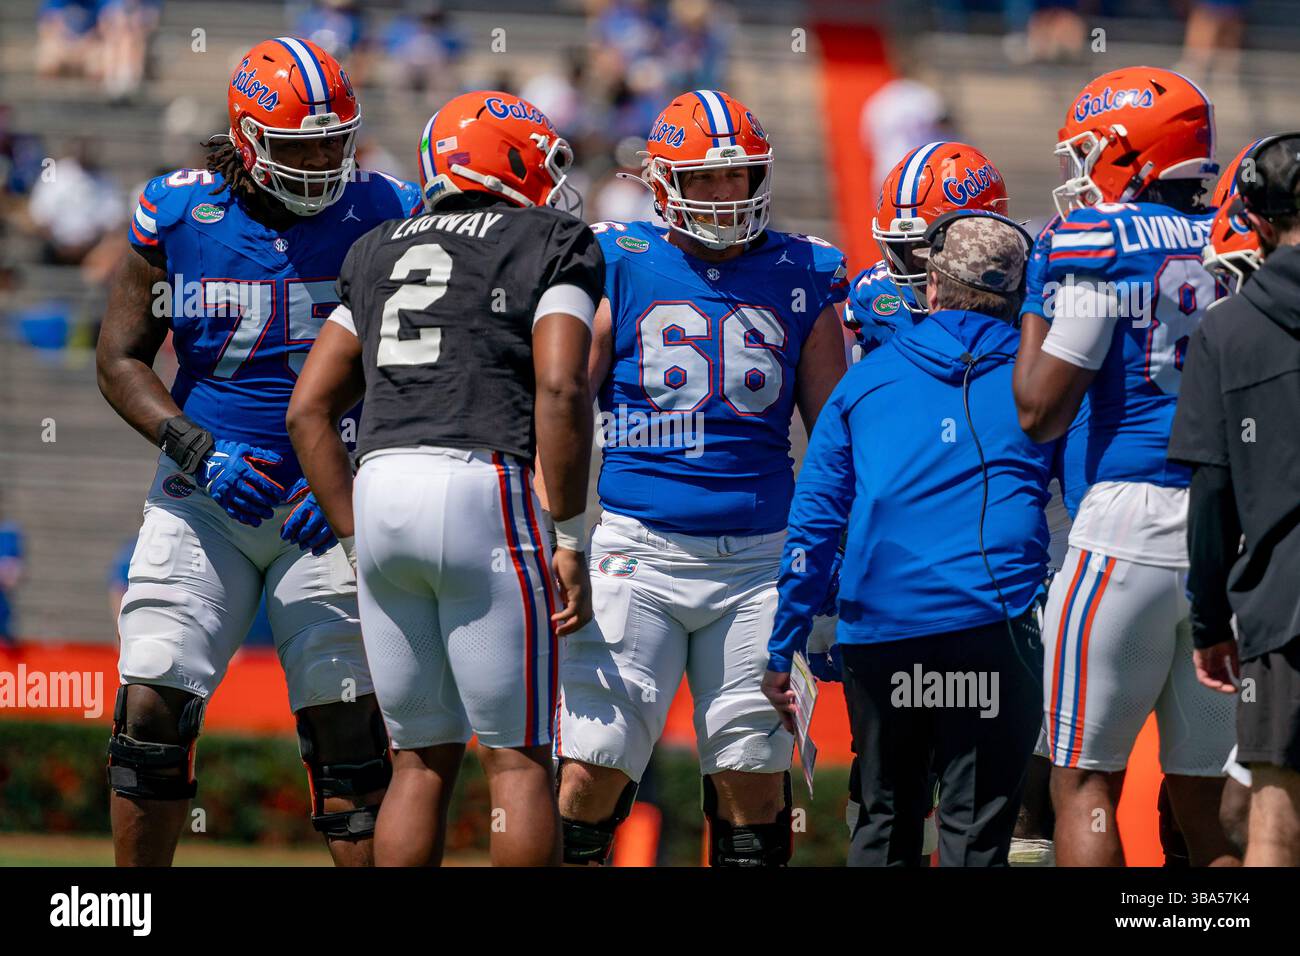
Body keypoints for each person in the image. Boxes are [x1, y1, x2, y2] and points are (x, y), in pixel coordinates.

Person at [95, 36, 422, 867]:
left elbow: (422, 371)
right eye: (297, 143)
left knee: (346, 722)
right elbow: (121, 358)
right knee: (152, 702)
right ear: (245, 140)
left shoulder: (389, 210)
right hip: (207, 497)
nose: (319, 161)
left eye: (332, 140)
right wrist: (197, 450)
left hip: (334, 501)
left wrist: (352, 473)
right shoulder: (179, 213)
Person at [287, 91, 601, 867]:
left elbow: (307, 412)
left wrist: (356, 540)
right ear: (512, 158)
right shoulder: (551, 239)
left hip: (383, 486)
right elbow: (562, 388)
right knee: (518, 762)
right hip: (482, 486)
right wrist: (569, 535)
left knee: (420, 762)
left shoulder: (377, 248)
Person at [556, 89, 849, 867]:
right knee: (593, 768)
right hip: (638, 551)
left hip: (761, 558)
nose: (725, 194)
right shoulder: (616, 259)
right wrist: (560, 532)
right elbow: (565, 403)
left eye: (738, 176)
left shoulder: (806, 269)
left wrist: (830, 559)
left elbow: (833, 436)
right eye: (706, 178)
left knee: (752, 777)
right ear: (661, 183)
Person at [765, 211, 1051, 866]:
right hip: (995, 631)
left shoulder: (865, 384)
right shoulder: (1042, 384)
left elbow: (814, 527)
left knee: (885, 820)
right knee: (975, 837)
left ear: (930, 288)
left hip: (885, 640)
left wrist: (786, 645)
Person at [1013, 66, 1238, 867]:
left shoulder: (1097, 243)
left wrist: (1043, 287)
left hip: (1127, 525)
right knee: (1206, 802)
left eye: (1088, 154)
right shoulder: (1236, 233)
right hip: (1229, 530)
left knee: (1084, 785)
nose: (1079, 174)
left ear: (1129, 152)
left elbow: (1040, 406)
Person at [1168, 133, 1300, 867]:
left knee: (1273, 821)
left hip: (1286, 607)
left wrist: (1211, 618)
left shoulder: (1227, 327)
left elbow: (1212, 491)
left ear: (1254, 215)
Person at [844, 142, 1008, 360]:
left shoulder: (1032, 290)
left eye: (930, 246)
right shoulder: (873, 295)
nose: (918, 263)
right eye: (904, 248)